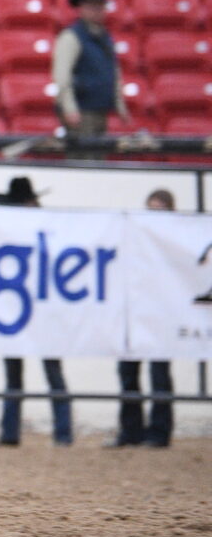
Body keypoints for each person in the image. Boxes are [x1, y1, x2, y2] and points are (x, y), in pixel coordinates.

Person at [0, 176, 71, 448]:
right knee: (33, 374)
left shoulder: (23, 231)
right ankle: (22, 433)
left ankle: (55, 433)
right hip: (24, 308)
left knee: (43, 373)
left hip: (26, 310)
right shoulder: (46, 231)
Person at [110, 189, 177, 448]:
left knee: (159, 373)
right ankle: (130, 431)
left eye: (160, 209)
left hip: (162, 313)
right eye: (152, 209)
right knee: (128, 371)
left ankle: (159, 432)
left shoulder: (175, 240)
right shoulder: (135, 238)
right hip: (133, 311)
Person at [50, 0, 129, 150]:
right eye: (92, 6)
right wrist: (69, 107)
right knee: (85, 156)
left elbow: (114, 72)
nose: (97, 10)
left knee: (97, 155)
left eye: (100, 6)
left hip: (98, 108)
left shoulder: (103, 36)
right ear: (82, 7)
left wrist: (119, 104)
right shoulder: (72, 37)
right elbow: (62, 75)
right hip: (82, 109)